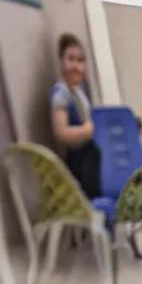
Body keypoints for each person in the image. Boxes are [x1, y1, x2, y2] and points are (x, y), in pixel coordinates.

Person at [50, 33, 101, 199]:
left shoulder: (78, 93)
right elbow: (61, 134)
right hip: (78, 165)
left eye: (80, 61)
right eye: (71, 59)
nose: (77, 66)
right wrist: (87, 131)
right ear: (61, 61)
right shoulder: (61, 93)